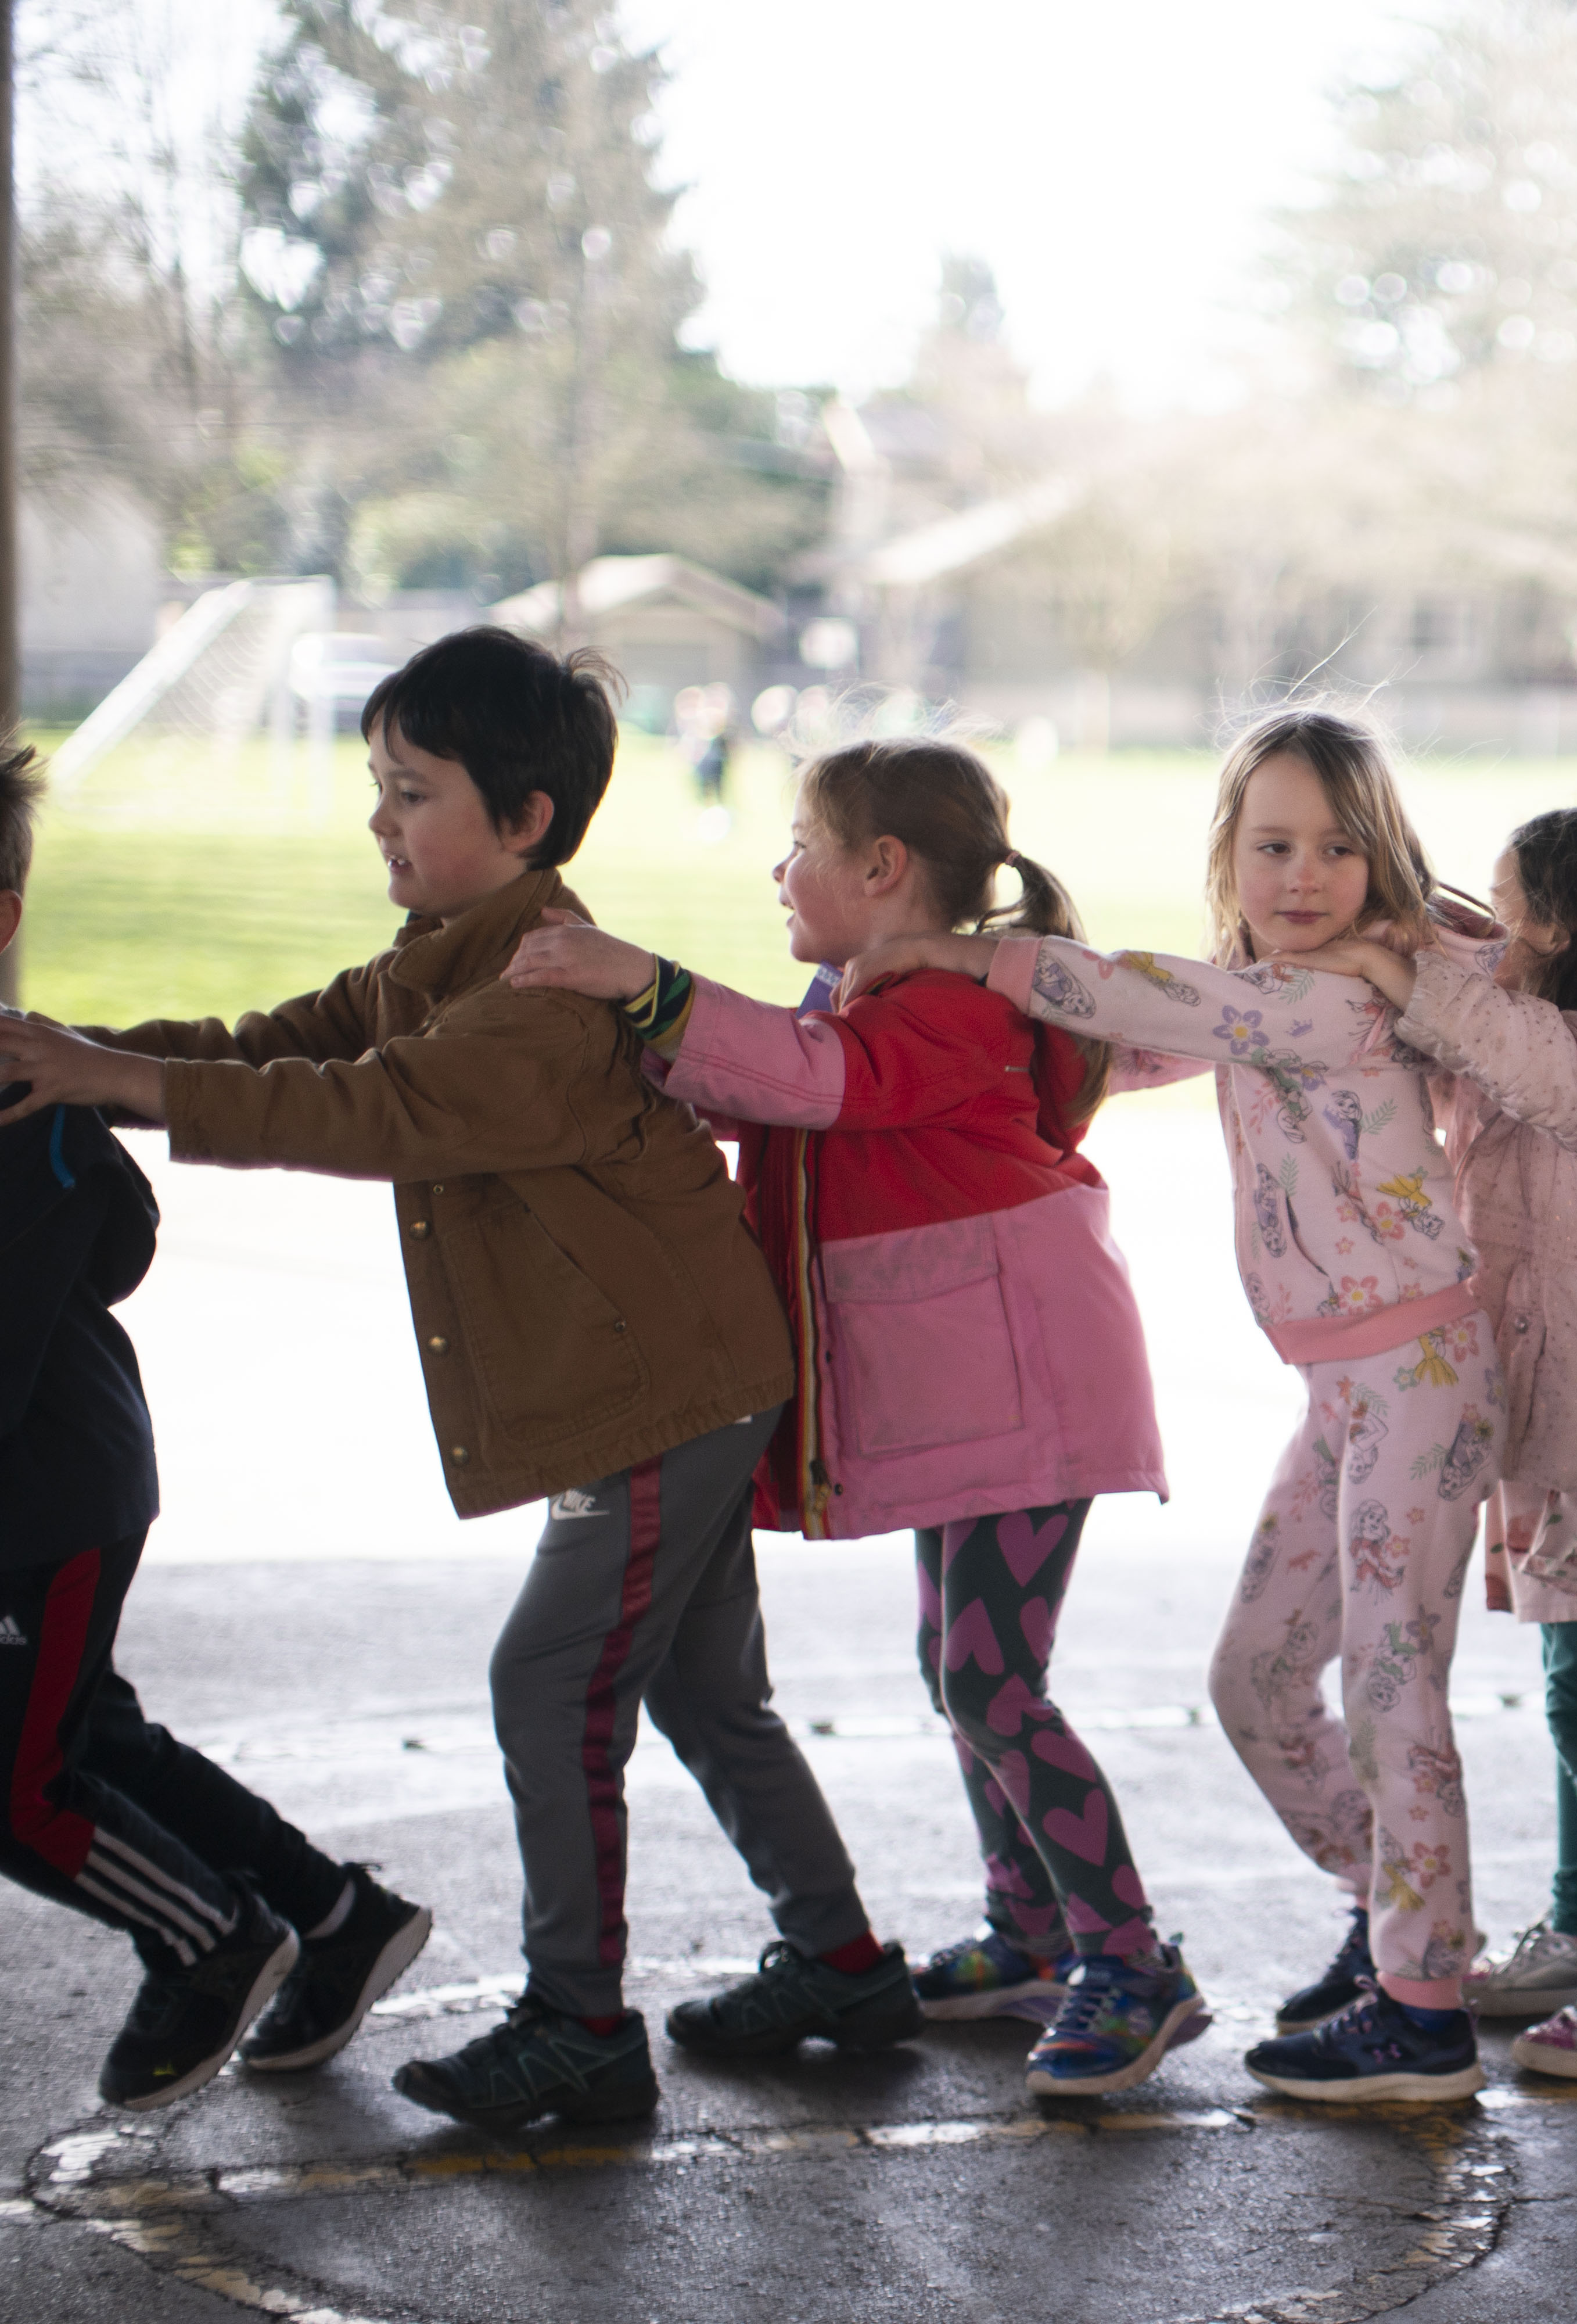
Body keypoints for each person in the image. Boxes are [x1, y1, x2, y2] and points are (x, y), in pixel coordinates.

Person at [0, 629, 912, 2136]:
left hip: (663, 1396)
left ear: (527, 821)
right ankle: (845, 1961)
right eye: (379, 784)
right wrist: (78, 1052)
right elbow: (283, 1043)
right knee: (702, 1692)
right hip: (676, 1378)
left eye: (411, 790)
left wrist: (110, 1080)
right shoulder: (445, 956)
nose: (380, 818)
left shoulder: (544, 991)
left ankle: (579, 2029)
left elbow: (372, 1106)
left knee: (547, 1687)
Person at [504, 736, 1184, 2099]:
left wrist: (645, 985)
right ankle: (1034, 1932)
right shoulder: (870, 993)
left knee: (993, 1678)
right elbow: (781, 1077)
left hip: (1034, 1382)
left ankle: (1131, 1959)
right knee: (964, 1667)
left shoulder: (942, 1010)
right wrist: (649, 1046)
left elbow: (812, 1079)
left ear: (882, 869)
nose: (780, 867)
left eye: (803, 842)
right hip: (983, 1389)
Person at [849, 705, 1504, 2106]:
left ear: (1380, 857)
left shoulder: (1342, 998)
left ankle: (1426, 2002)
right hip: (1344, 1391)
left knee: (1392, 1684)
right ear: (1231, 853)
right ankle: (1396, 1913)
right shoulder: (1267, 995)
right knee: (1257, 1680)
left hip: (1424, 1378)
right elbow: (1135, 1042)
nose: (1303, 873)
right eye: (1272, 843)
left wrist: (974, 955)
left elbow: (1155, 1007)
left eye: (1337, 845)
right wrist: (964, 1023)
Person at [0, 743, 434, 2113]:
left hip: (45, 1501)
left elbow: (75, 1268)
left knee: (19, 1785)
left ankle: (209, 1939)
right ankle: (335, 1912)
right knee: (87, 1737)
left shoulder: (24, 1099)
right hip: (62, 1479)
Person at [1298, 805, 1577, 2082]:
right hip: (1571, 1421)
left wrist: (1401, 966)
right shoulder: (1571, 1026)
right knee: (1574, 1687)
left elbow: (1526, 1061)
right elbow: (1487, 1052)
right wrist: (1403, 937)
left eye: (1509, 907)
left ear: (1560, 922)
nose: (1490, 930)